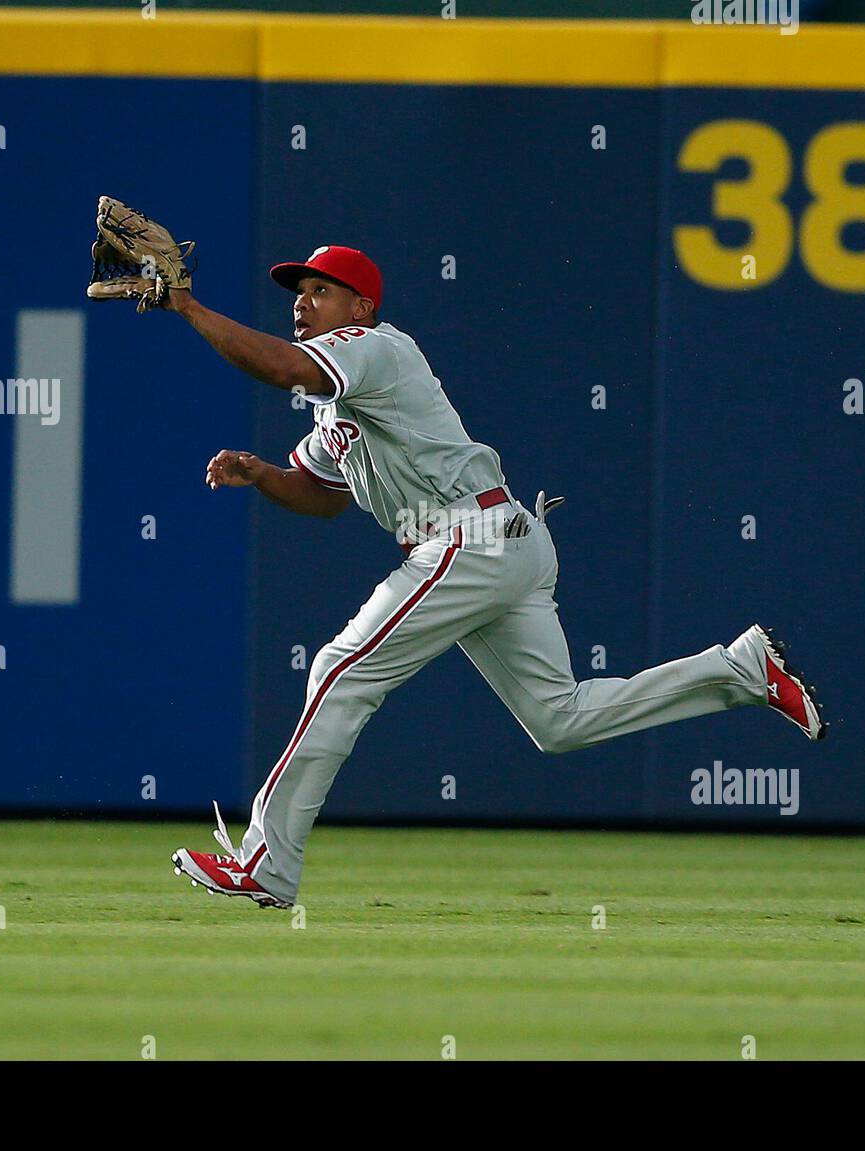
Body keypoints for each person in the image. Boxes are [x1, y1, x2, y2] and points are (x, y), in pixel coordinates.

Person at [168, 245, 826, 909]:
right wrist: (263, 477)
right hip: (498, 540)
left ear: (361, 307)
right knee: (558, 719)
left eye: (321, 289)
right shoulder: (332, 401)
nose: (302, 303)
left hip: (467, 537)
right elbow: (322, 490)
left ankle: (266, 862)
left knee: (341, 670)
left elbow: (281, 366)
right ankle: (740, 668)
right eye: (298, 291)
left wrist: (188, 307)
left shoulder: (374, 349)